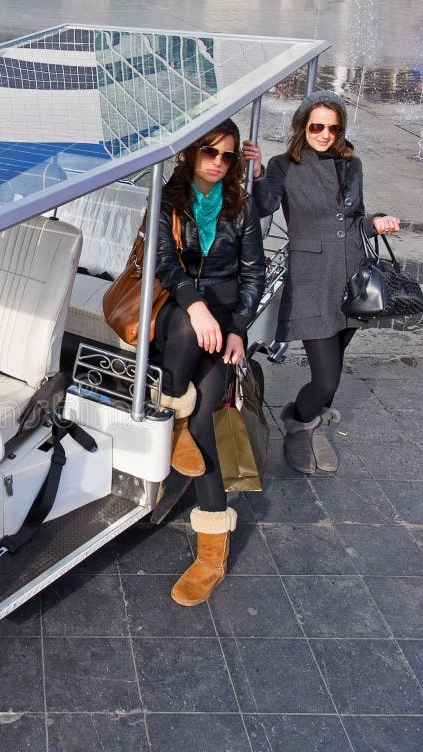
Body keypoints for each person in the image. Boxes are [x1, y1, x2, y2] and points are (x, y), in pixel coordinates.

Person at [243, 90, 401, 473]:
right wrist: (259, 171)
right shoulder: (284, 165)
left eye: (333, 127)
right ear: (303, 126)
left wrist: (375, 222)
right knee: (326, 378)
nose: (325, 134)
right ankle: (299, 422)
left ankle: (311, 427)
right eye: (317, 126)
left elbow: (355, 218)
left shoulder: (352, 164)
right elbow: (262, 206)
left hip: (351, 277)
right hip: (312, 279)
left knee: (337, 363)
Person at [153, 118, 266, 606]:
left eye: (227, 155)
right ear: (191, 153)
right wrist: (193, 303)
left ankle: (211, 555)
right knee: (182, 323)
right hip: (180, 315)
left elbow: (254, 275)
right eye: (208, 152)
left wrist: (238, 327)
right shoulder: (169, 198)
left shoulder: (241, 207)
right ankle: (175, 426)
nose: (217, 162)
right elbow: (163, 261)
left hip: (223, 318)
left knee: (206, 424)